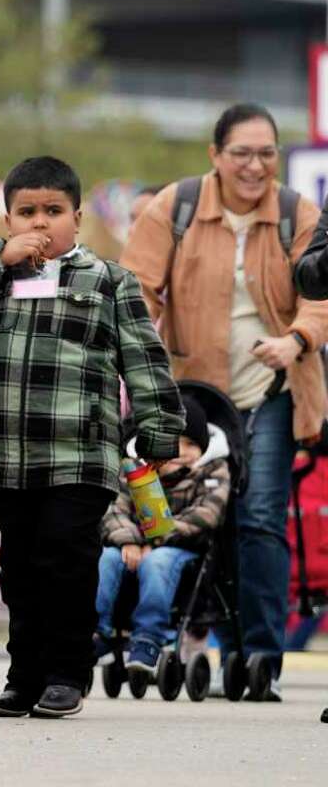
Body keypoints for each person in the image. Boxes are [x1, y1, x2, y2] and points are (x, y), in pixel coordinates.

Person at [0, 155, 183, 721]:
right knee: (19, 569)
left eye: (53, 211)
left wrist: (161, 430)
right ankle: (24, 679)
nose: (40, 223)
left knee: (64, 560)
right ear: (7, 218)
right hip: (6, 456)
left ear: (78, 216)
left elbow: (145, 359)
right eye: (26, 212)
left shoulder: (109, 281)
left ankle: (67, 674)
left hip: (81, 454)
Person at [125, 103, 328, 702]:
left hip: (274, 391)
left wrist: (296, 339)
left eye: (266, 152)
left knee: (260, 516)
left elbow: (322, 291)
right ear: (215, 155)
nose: (255, 165)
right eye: (241, 152)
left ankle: (261, 652)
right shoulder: (176, 207)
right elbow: (137, 288)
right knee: (202, 521)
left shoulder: (298, 212)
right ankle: (195, 639)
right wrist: (144, 359)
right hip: (196, 400)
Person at [93, 399, 231, 681]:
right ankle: (97, 632)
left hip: (182, 550)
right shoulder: (133, 470)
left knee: (158, 562)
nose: (181, 452)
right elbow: (114, 508)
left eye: (191, 445)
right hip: (131, 546)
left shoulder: (211, 472)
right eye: (173, 443)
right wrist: (129, 541)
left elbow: (206, 515)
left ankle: (148, 637)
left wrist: (152, 542)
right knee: (106, 559)